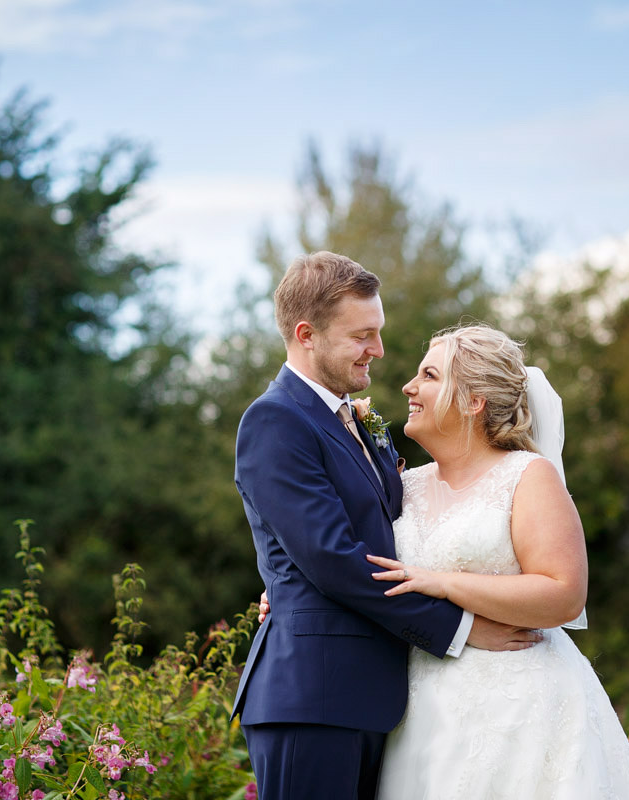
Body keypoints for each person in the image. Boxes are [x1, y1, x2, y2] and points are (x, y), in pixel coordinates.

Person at [230, 252, 541, 800]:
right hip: (313, 695)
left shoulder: (356, 419)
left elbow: (380, 531)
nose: (377, 350)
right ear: (307, 334)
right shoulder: (275, 420)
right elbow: (332, 559)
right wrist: (462, 629)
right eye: (362, 336)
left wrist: (287, 577)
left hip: (372, 695)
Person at [365, 324, 629, 799]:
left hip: (521, 710)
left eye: (429, 376)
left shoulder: (527, 476)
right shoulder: (403, 486)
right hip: (419, 716)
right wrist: (288, 594)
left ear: (473, 400)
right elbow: (358, 566)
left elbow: (563, 593)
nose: (408, 387)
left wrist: (444, 582)